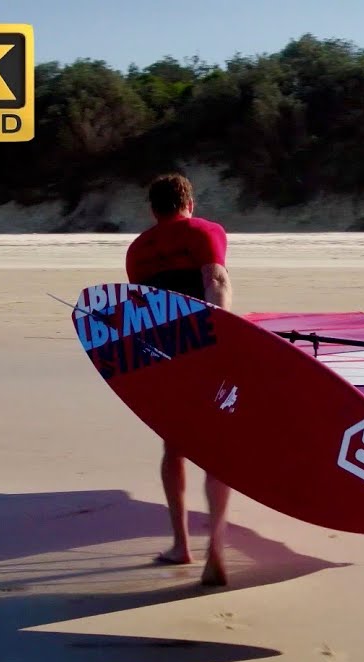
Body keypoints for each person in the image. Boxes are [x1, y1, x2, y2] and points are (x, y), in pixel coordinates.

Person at [124, 173, 235, 586]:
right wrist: (220, 336)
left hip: (165, 356)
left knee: (175, 448)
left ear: (153, 210)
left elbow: (140, 310)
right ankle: (217, 549)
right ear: (189, 201)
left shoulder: (138, 250)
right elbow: (215, 281)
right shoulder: (205, 230)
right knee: (217, 450)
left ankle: (181, 545)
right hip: (206, 349)